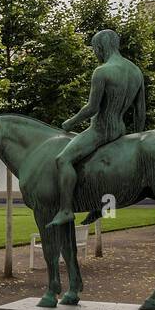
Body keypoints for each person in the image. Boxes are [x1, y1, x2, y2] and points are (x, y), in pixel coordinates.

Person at [48, 29, 145, 228]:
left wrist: (70, 123)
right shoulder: (136, 71)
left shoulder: (102, 71)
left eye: (94, 49)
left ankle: (66, 210)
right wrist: (138, 137)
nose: (95, 53)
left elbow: (92, 108)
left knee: (63, 159)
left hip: (100, 131)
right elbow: (140, 112)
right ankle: (100, 203)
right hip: (120, 130)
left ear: (100, 47)